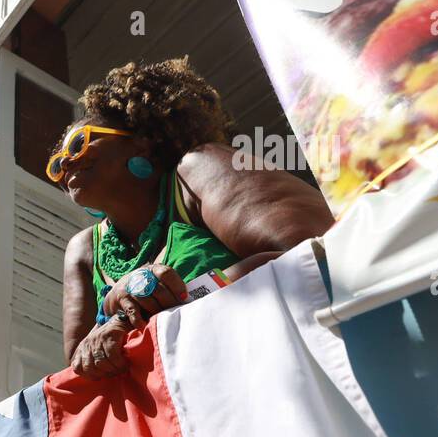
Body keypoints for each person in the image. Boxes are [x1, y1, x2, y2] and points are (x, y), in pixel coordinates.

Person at [53, 58, 334, 378]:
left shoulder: (198, 168)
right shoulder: (83, 249)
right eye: (57, 164)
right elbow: (79, 366)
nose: (66, 165)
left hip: (287, 371)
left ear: (141, 142)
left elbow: (316, 250)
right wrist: (115, 312)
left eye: (78, 144)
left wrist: (167, 299)